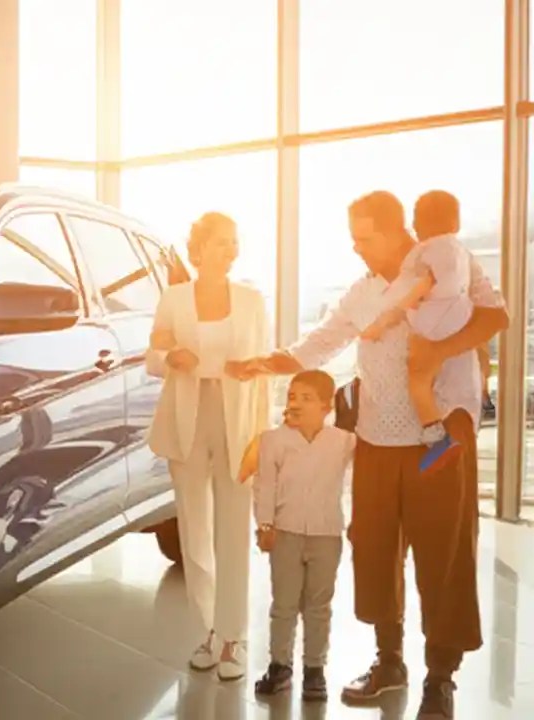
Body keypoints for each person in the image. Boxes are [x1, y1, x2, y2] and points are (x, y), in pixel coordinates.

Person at [251, 190, 508, 720]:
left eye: (364, 238)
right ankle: (389, 663)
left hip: (437, 444)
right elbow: (322, 342)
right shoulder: (363, 290)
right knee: (372, 552)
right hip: (374, 443)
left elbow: (496, 318)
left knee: (443, 556)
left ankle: (441, 678)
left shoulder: (447, 259)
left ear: (396, 233)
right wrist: (268, 362)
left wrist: (439, 350)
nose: (357, 248)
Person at [145, 211, 270, 681]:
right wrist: (171, 356)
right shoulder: (174, 298)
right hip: (187, 419)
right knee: (194, 528)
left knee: (233, 527)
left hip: (236, 420)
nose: (231, 250)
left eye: (235, 242)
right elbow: (153, 353)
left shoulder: (252, 300)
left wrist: (260, 435)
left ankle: (234, 637)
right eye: (222, 242)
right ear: (198, 250)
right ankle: (209, 631)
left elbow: (263, 375)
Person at [245, 369, 355, 703]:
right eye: (293, 397)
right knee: (284, 604)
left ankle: (314, 671)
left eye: (307, 398)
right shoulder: (273, 440)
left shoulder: (344, 441)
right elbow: (264, 485)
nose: (297, 404)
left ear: (326, 406)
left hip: (327, 535)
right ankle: (279, 666)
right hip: (286, 533)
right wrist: (265, 524)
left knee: (318, 606)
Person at [351, 190, 474, 472]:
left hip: (435, 318)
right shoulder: (458, 249)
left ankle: (436, 437)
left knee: (417, 379)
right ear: (455, 222)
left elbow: (424, 284)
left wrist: (392, 315)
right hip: (455, 314)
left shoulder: (433, 251)